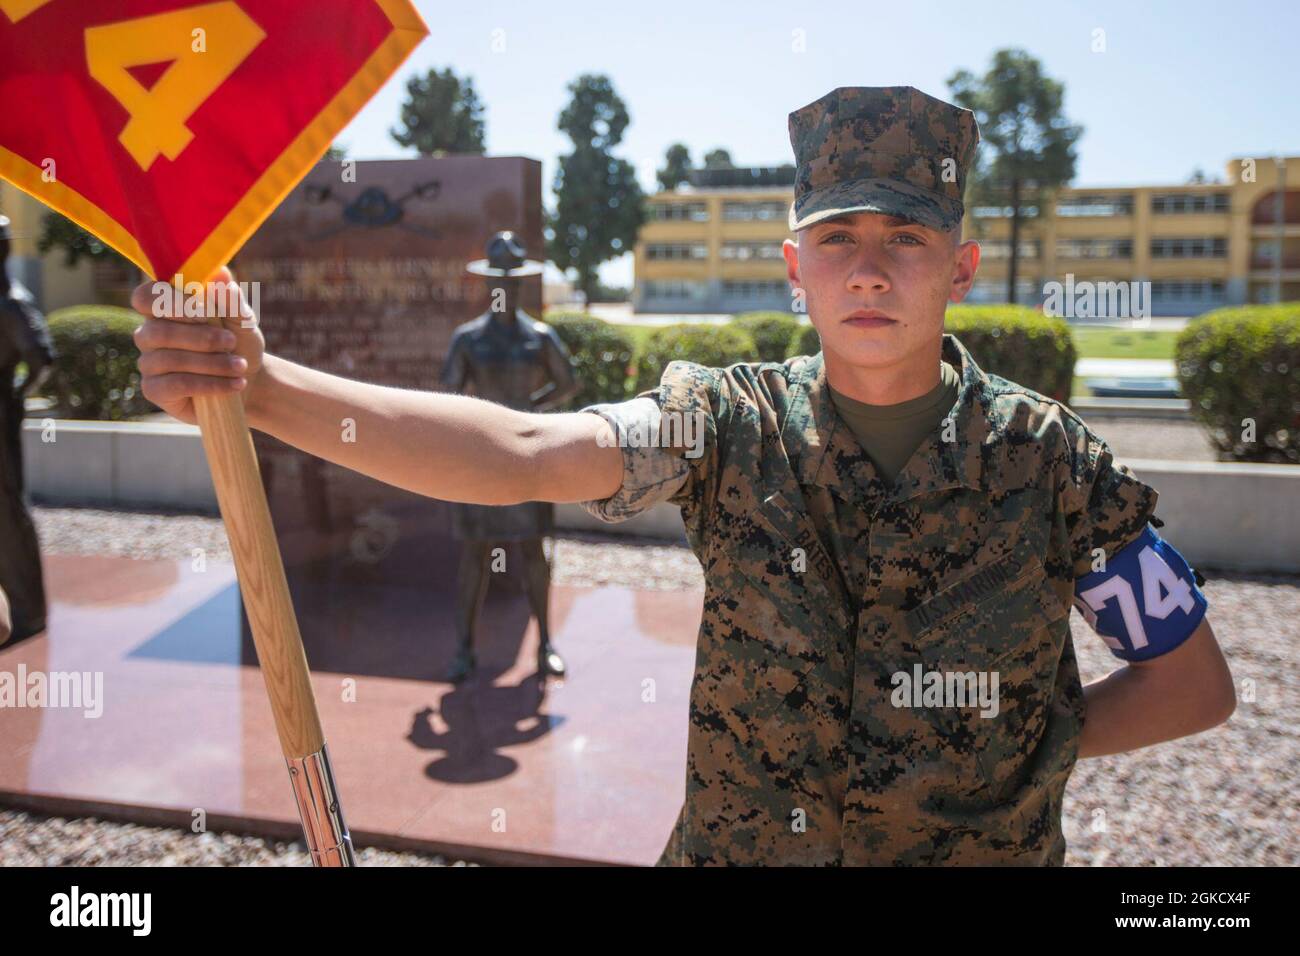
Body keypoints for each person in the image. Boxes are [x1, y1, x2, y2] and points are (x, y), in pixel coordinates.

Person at [129, 85, 1235, 866]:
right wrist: (262, 388)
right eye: (836, 234)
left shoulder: (1050, 462)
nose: (867, 267)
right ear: (794, 266)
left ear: (960, 265)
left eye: (905, 237)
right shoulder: (726, 424)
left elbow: (1194, 685)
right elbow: (522, 450)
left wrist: (1015, 740)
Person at [441, 231, 578, 682]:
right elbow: (446, 395)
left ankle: (544, 645)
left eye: (512, 282)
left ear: (520, 286)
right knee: (472, 559)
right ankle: (463, 649)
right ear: (488, 287)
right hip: (480, 461)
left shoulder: (539, 336)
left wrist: (532, 408)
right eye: (498, 282)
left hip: (527, 456)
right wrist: (481, 420)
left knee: (534, 553)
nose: (505, 289)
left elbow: (568, 382)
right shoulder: (468, 339)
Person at [0, 213, 54, 645]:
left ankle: (28, 610)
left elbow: (41, 359)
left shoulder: (12, 302)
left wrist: (17, 395)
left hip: (1, 413)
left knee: (9, 510)